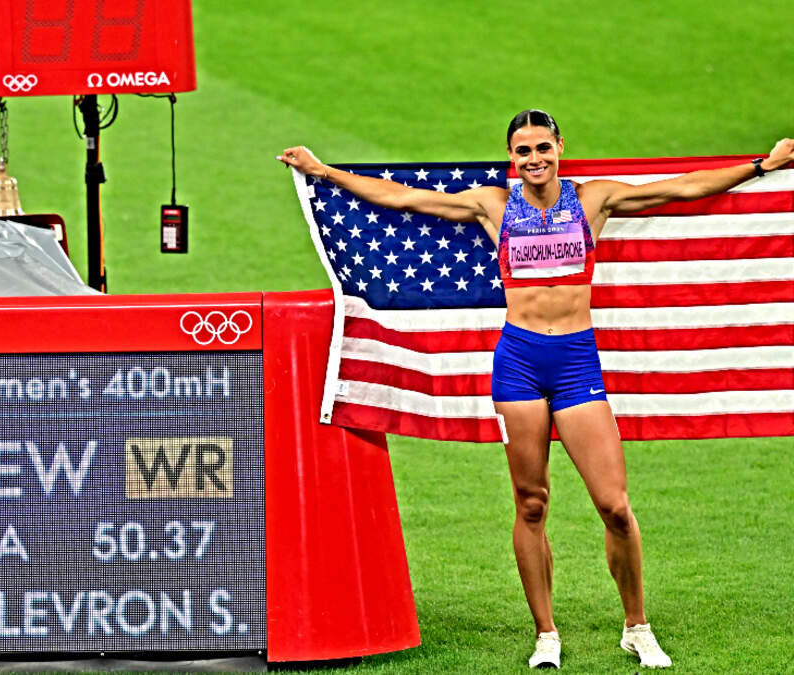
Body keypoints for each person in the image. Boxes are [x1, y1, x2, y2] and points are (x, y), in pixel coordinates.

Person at [278, 110, 794, 670]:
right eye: (523, 151)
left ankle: (636, 626)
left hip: (576, 363)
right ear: (512, 158)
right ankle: (545, 633)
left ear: (559, 147)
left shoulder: (593, 200)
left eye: (542, 148)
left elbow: (681, 188)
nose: (534, 159)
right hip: (519, 363)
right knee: (531, 503)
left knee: (615, 506)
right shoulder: (492, 205)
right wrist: (323, 170)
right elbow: (401, 198)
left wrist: (761, 166)